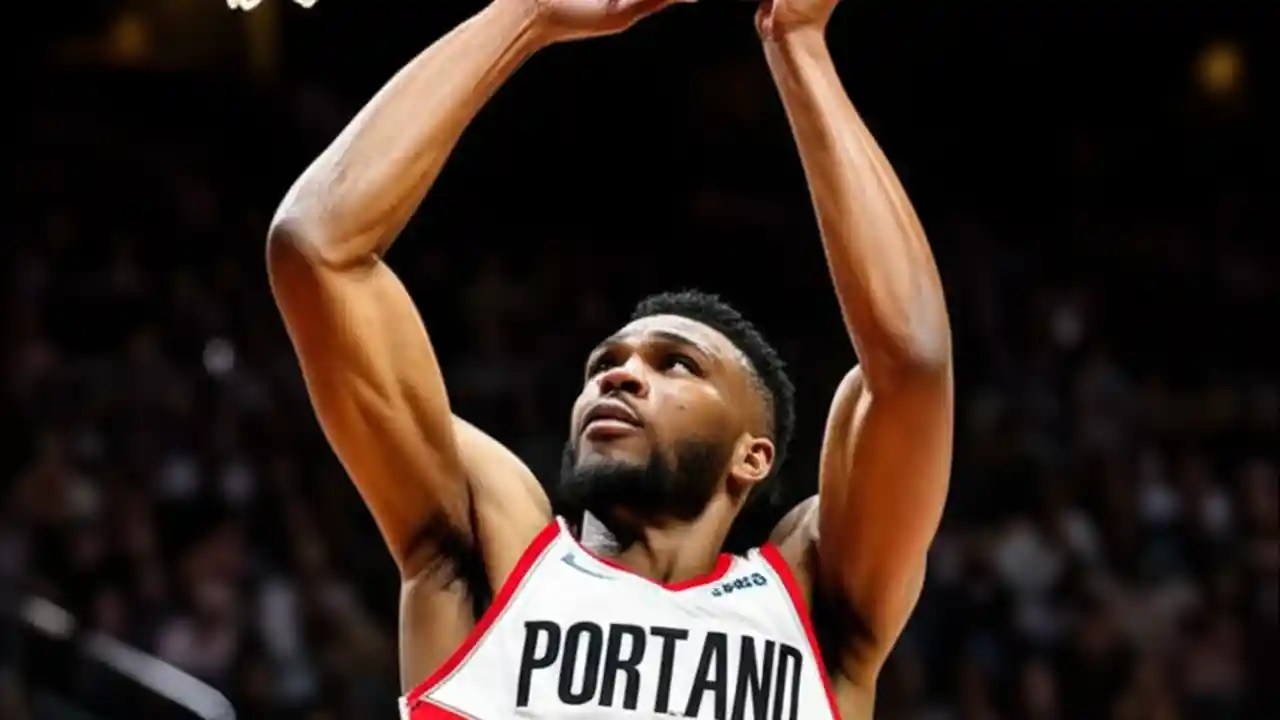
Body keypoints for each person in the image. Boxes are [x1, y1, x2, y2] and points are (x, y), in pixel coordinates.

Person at [266, 0, 953, 716]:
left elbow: (911, 362)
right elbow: (318, 251)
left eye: (677, 364)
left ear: (752, 457)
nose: (618, 375)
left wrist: (799, 42)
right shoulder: (494, 552)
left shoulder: (811, 605)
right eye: (603, 365)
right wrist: (527, 13)